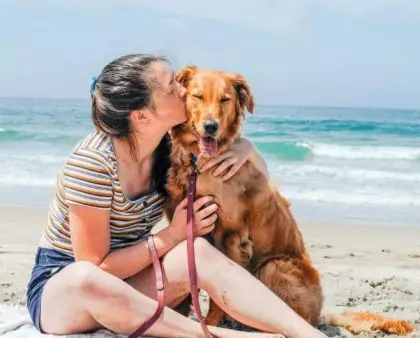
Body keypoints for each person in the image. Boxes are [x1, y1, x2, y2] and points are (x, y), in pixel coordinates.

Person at [26, 54, 327, 338]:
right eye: (172, 86)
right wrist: (171, 235)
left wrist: (245, 148)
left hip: (130, 281)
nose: (184, 91)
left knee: (197, 250)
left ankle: (305, 332)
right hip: (67, 291)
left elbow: (258, 174)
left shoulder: (165, 150)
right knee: (86, 279)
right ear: (142, 116)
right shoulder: (92, 163)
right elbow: (95, 266)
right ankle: (218, 334)